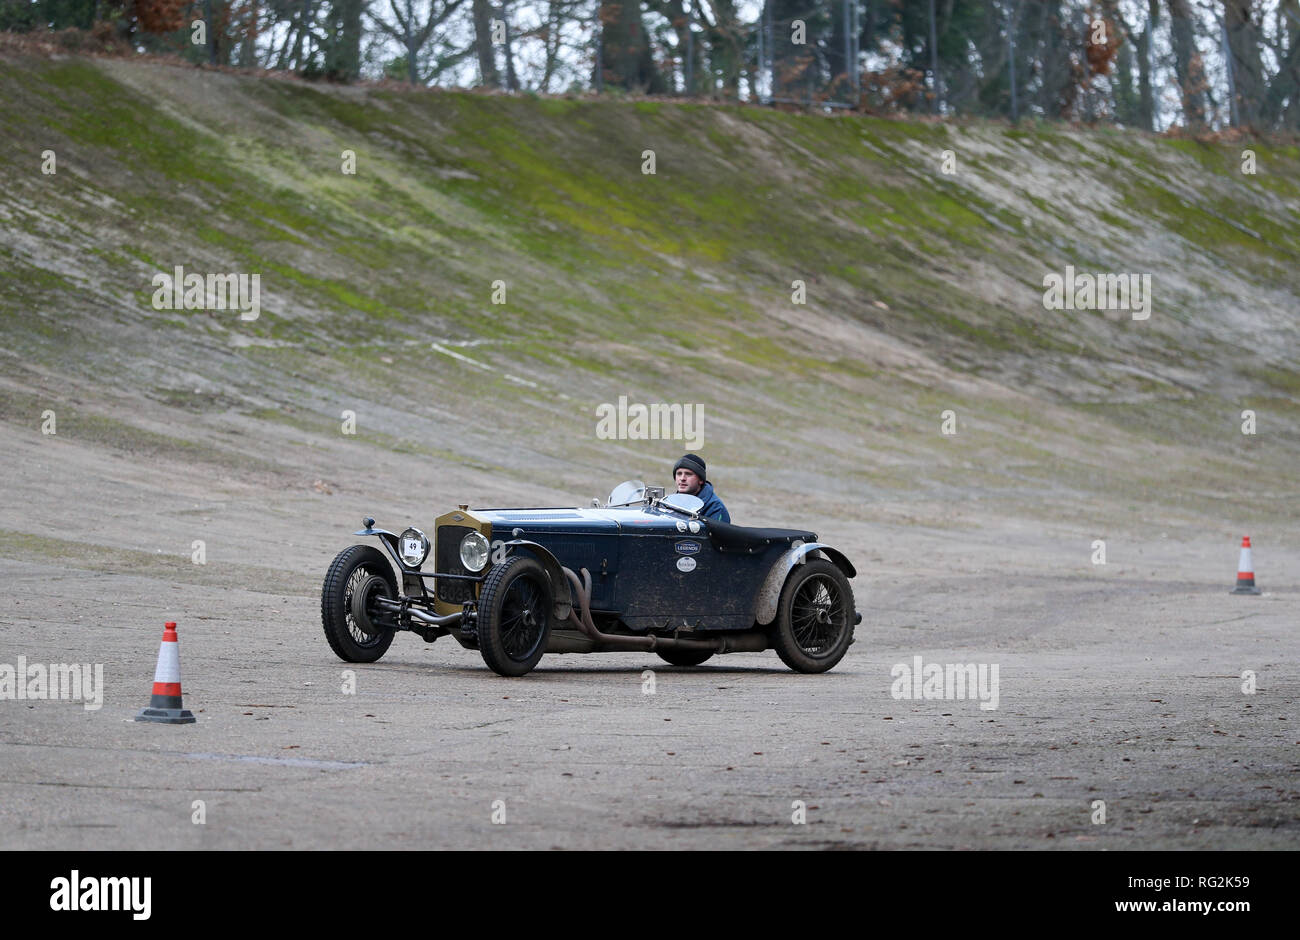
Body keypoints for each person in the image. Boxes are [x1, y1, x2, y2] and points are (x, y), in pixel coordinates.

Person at [672, 454, 730, 522]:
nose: (682, 478)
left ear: (701, 480)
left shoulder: (715, 507)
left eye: (688, 474)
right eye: (679, 474)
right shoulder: (670, 503)